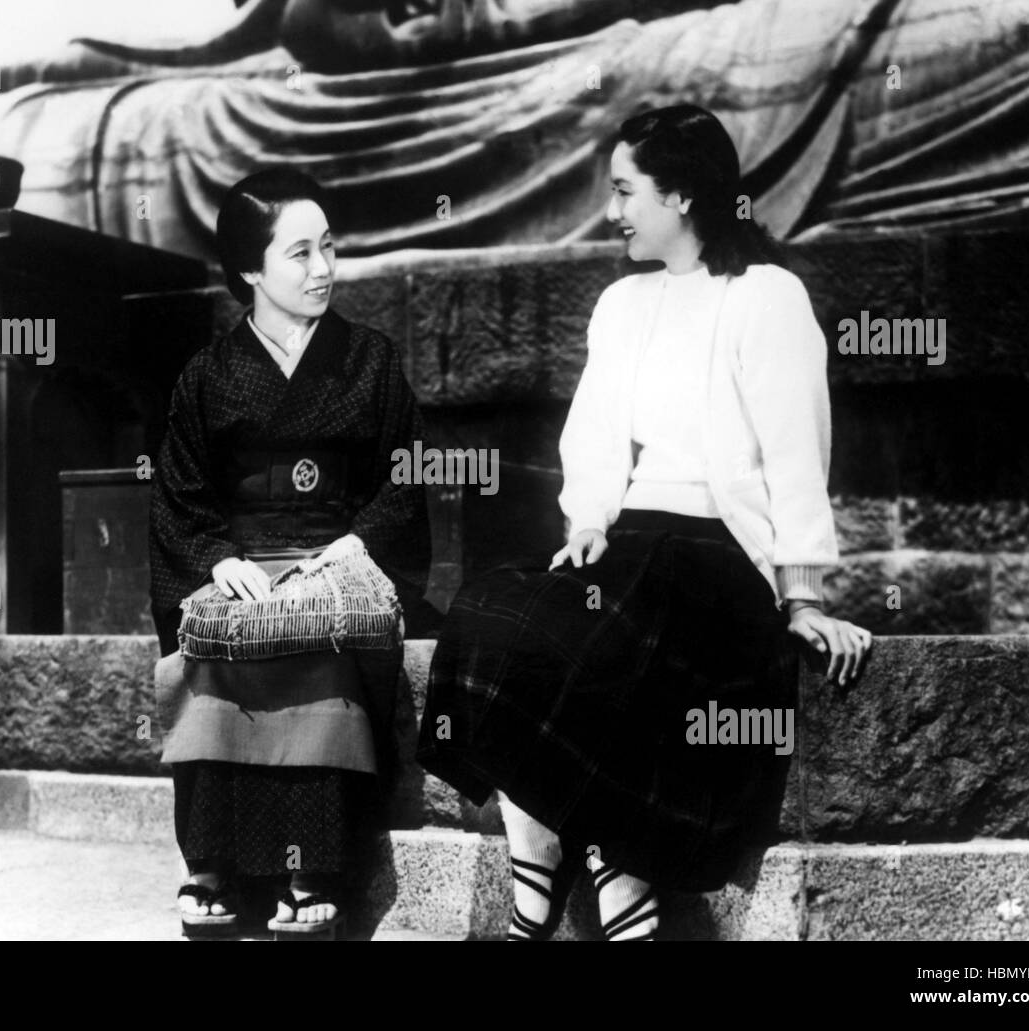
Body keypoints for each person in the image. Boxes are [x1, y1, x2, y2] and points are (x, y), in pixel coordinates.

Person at [417, 104, 873, 941]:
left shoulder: (767, 297)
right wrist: (589, 518)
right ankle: (549, 871)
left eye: (627, 191)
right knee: (493, 616)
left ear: (685, 197)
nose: (614, 210)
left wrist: (803, 595)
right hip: (629, 545)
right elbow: (593, 436)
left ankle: (614, 873)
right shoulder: (622, 305)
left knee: (608, 650)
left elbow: (797, 452)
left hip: (716, 559)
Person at [149, 168, 429, 939]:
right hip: (243, 562)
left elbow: (404, 479)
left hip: (339, 561)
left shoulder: (369, 360)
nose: (323, 269)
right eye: (299, 253)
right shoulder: (207, 375)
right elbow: (181, 494)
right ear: (249, 270)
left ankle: (311, 867)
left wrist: (355, 544)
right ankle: (210, 862)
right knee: (215, 646)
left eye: (329, 248)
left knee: (319, 646)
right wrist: (213, 559)